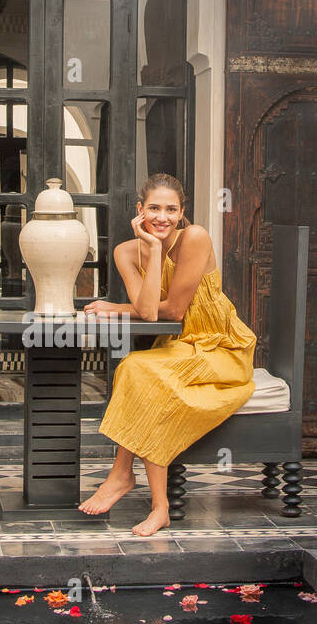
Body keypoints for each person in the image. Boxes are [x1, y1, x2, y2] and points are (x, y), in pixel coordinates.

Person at [79, 173, 257, 535]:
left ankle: (122, 475)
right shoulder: (126, 251)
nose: (162, 217)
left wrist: (117, 306)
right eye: (154, 208)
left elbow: (173, 310)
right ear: (139, 210)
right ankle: (153, 502)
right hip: (178, 347)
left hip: (217, 345)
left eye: (171, 210)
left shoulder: (196, 237)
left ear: (182, 213)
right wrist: (152, 250)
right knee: (136, 370)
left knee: (138, 370)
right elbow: (147, 311)